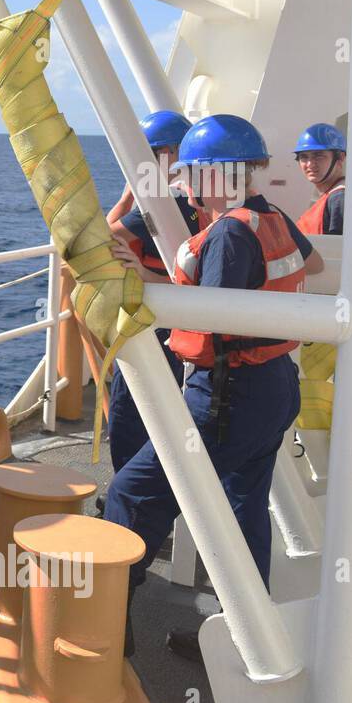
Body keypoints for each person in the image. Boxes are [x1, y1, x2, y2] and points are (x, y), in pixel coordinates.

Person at [106, 115, 323, 662]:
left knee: (132, 491)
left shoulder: (229, 232)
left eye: (193, 173)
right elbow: (313, 264)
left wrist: (142, 275)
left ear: (221, 174)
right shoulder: (271, 217)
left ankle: (103, 617)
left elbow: (211, 315)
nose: (186, 184)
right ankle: (246, 640)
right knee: (243, 505)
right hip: (274, 389)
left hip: (227, 397)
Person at [105, 110, 203, 475]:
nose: (142, 161)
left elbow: (102, 238)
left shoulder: (166, 200)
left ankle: (130, 500)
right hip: (182, 321)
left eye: (151, 152)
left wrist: (129, 192)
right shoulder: (196, 197)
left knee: (132, 411)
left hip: (154, 320)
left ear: (176, 153)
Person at [293, 122, 346, 236]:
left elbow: (338, 251)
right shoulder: (330, 197)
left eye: (319, 155)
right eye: (304, 157)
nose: (310, 164)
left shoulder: (339, 198)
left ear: (340, 158)